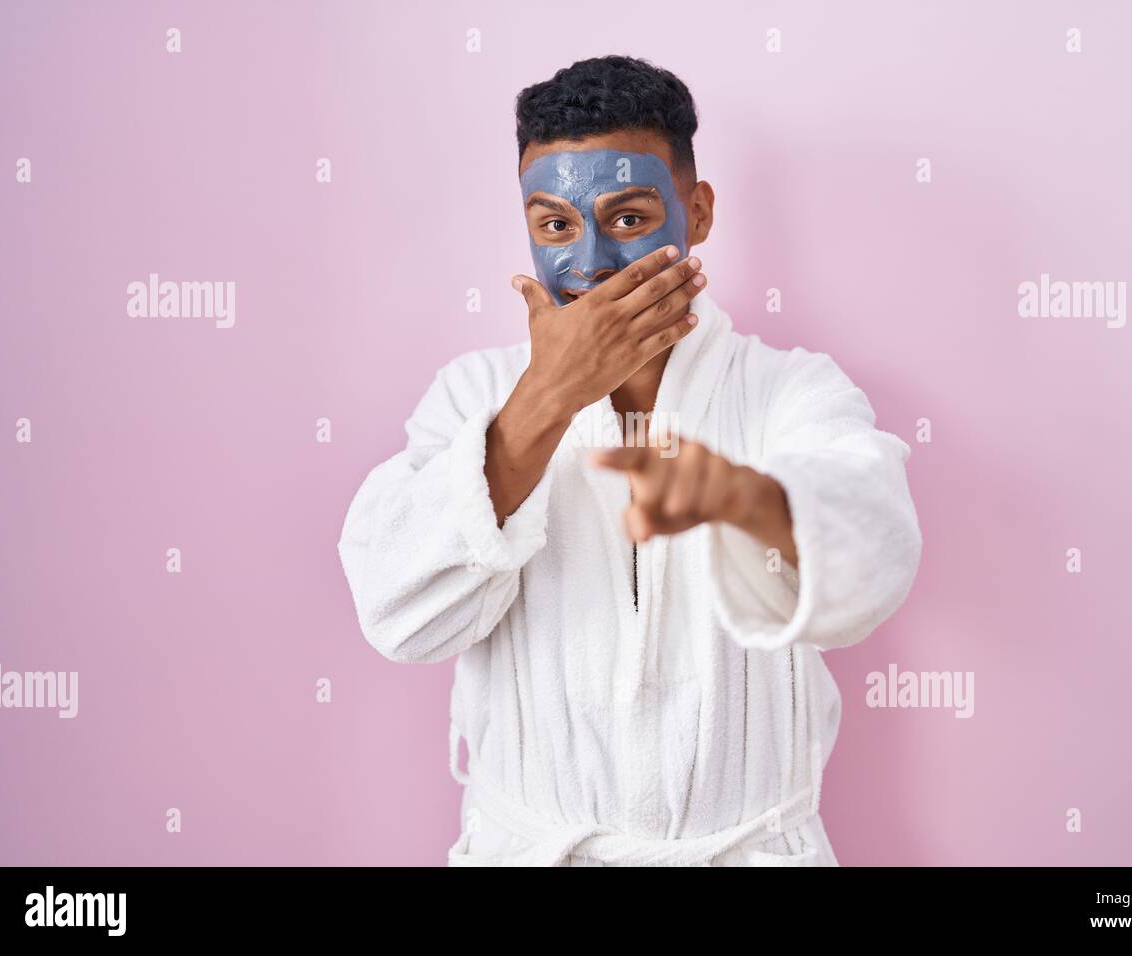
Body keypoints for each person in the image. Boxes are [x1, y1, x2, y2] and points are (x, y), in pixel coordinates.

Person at [337, 55, 922, 866]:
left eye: (628, 217)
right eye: (554, 225)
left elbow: (874, 546)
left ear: (699, 210)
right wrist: (546, 399)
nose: (592, 265)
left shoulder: (789, 392)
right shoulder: (472, 394)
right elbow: (398, 612)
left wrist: (743, 500)